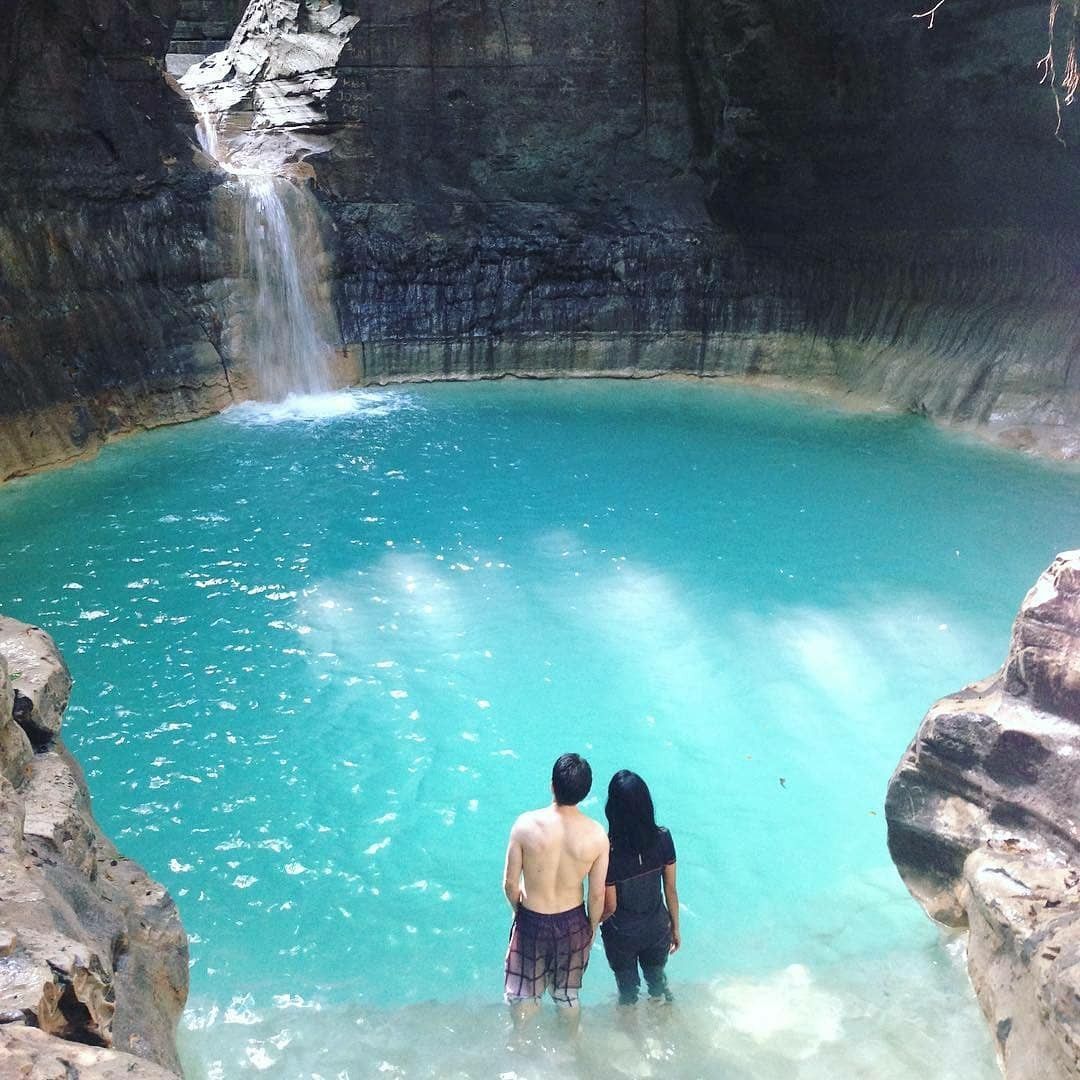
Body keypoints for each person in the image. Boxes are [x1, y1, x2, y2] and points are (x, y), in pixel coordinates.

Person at [502, 752, 610, 1026]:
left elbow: (510, 884)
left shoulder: (524, 825)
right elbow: (597, 894)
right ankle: (571, 1045)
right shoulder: (597, 835)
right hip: (572, 921)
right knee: (566, 993)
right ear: (585, 791)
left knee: (525, 994)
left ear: (552, 785)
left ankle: (522, 1046)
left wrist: (520, 911)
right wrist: (592, 926)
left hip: (532, 918)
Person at [599, 770, 680, 1005]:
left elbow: (611, 905)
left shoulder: (609, 851)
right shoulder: (663, 838)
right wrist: (675, 928)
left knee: (628, 992)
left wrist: (591, 925)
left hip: (622, 936)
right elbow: (671, 890)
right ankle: (664, 1020)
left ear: (613, 809)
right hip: (657, 929)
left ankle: (632, 1036)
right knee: (657, 982)